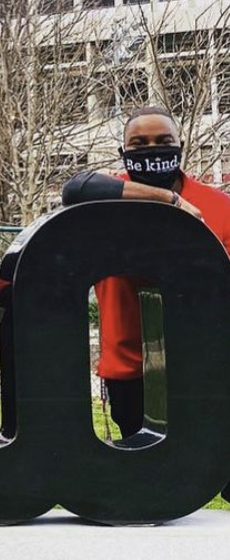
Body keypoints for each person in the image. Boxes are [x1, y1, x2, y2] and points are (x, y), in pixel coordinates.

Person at [61, 105, 230, 440]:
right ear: (122, 152)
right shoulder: (103, 203)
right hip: (129, 369)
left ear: (179, 146)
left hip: (204, 367)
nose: (152, 149)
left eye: (163, 140)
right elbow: (75, 188)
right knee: (145, 477)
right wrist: (170, 200)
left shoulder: (219, 206)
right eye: (139, 143)